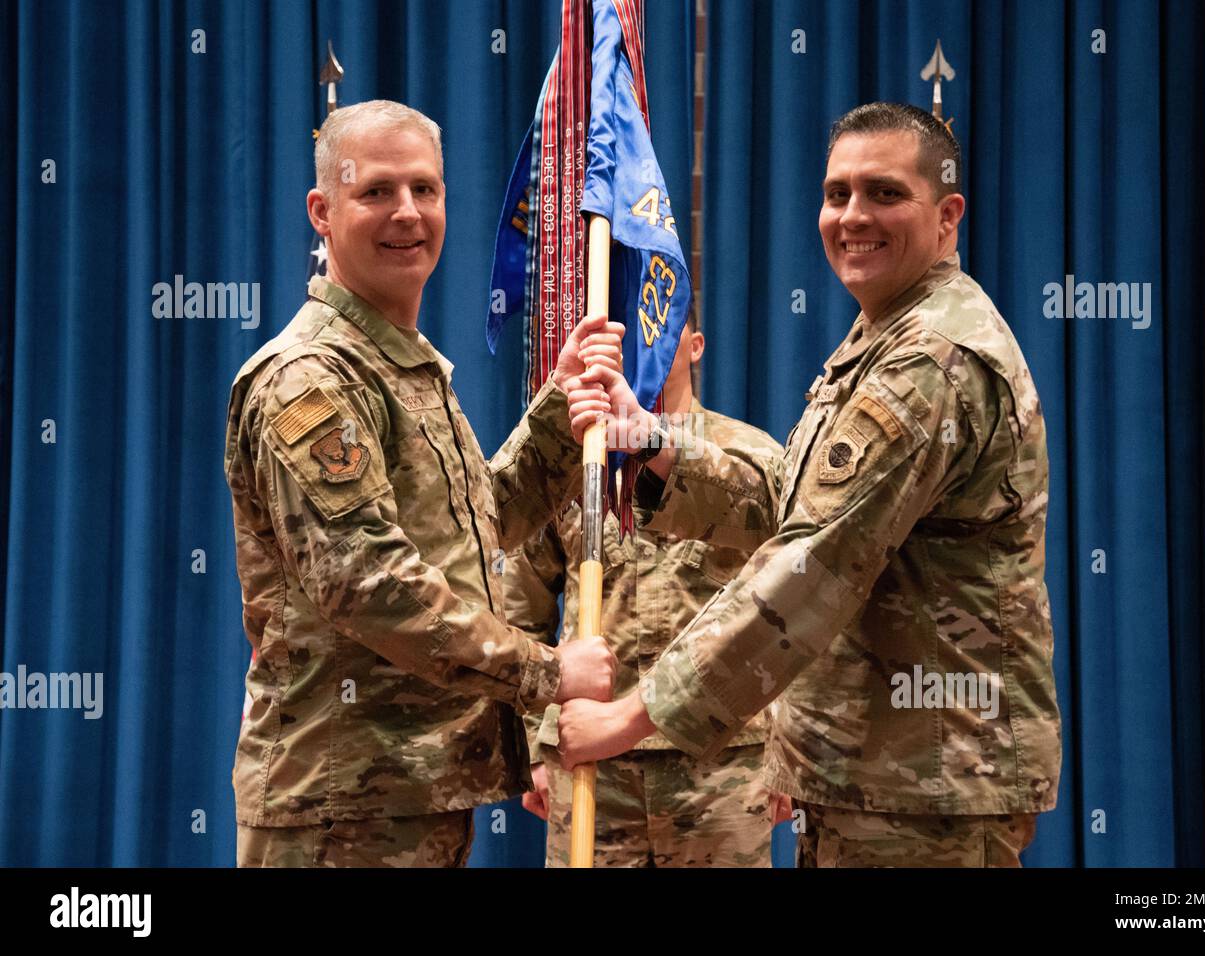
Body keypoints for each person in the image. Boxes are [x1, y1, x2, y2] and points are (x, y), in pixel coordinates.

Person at [560, 102, 1062, 867]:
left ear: (948, 215)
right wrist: (656, 443)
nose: (853, 216)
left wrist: (634, 714)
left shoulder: (931, 357)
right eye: (838, 194)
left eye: (886, 193)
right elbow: (793, 500)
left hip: (925, 792)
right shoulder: (885, 336)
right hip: (880, 779)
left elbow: (810, 565)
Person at [224, 100, 618, 867]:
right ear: (323, 212)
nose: (407, 212)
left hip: (409, 791)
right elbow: (371, 584)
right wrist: (544, 670)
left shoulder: (403, 363)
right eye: (376, 191)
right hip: (340, 805)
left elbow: (472, 525)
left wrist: (555, 418)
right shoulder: (310, 378)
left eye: (425, 190)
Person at [505, 317, 787, 866]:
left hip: (724, 761)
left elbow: (799, 605)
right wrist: (527, 747)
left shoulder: (751, 457)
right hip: (591, 764)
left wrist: (792, 753)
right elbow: (522, 605)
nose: (643, 331)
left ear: (697, 345)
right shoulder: (572, 460)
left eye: (663, 319)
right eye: (629, 319)